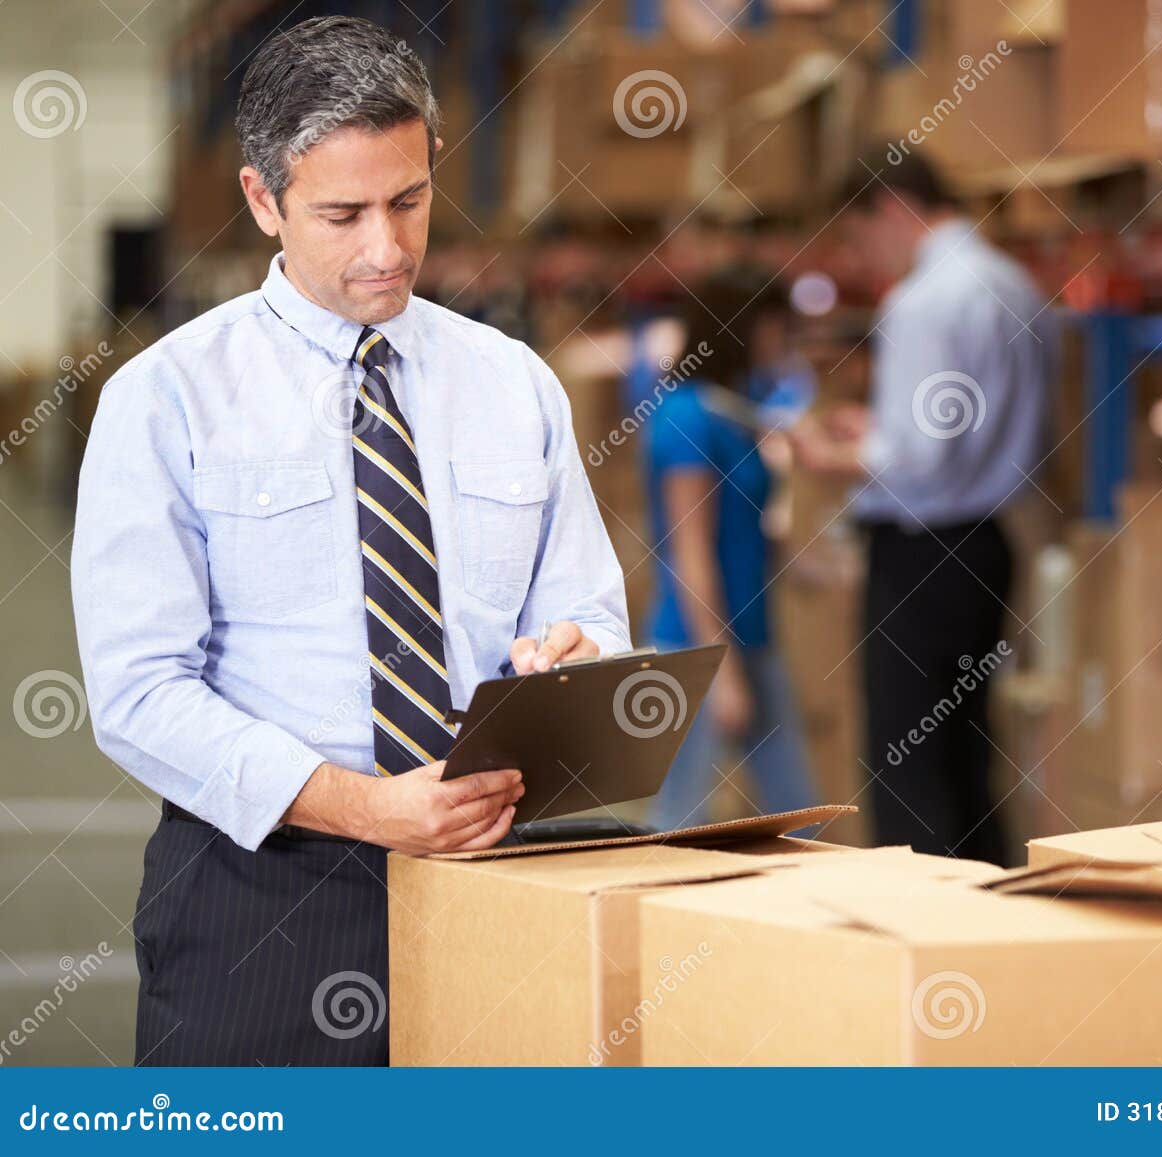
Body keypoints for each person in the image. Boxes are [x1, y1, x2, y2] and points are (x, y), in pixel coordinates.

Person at [69, 16, 630, 1066]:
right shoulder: (168, 399)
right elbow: (141, 692)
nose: (387, 247)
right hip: (267, 891)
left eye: (409, 199)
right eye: (343, 213)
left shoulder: (514, 384)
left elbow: (591, 609)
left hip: (499, 871)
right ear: (261, 200)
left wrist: (572, 658)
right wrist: (368, 807)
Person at [793, 150, 1056, 864]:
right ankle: (989, 923)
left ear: (891, 208)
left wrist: (830, 454)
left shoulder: (921, 302)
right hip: (984, 545)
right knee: (966, 754)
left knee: (908, 768)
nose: (864, 256)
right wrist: (879, 434)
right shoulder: (1014, 285)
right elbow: (961, 435)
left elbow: (920, 456)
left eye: (858, 236)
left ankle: (921, 940)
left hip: (918, 557)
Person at [643, 267, 817, 830]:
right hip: (695, 650)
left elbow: (755, 528)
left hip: (753, 638)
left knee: (796, 814)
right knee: (680, 825)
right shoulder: (686, 418)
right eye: (774, 326)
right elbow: (690, 550)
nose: (783, 341)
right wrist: (719, 669)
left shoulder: (735, 413)